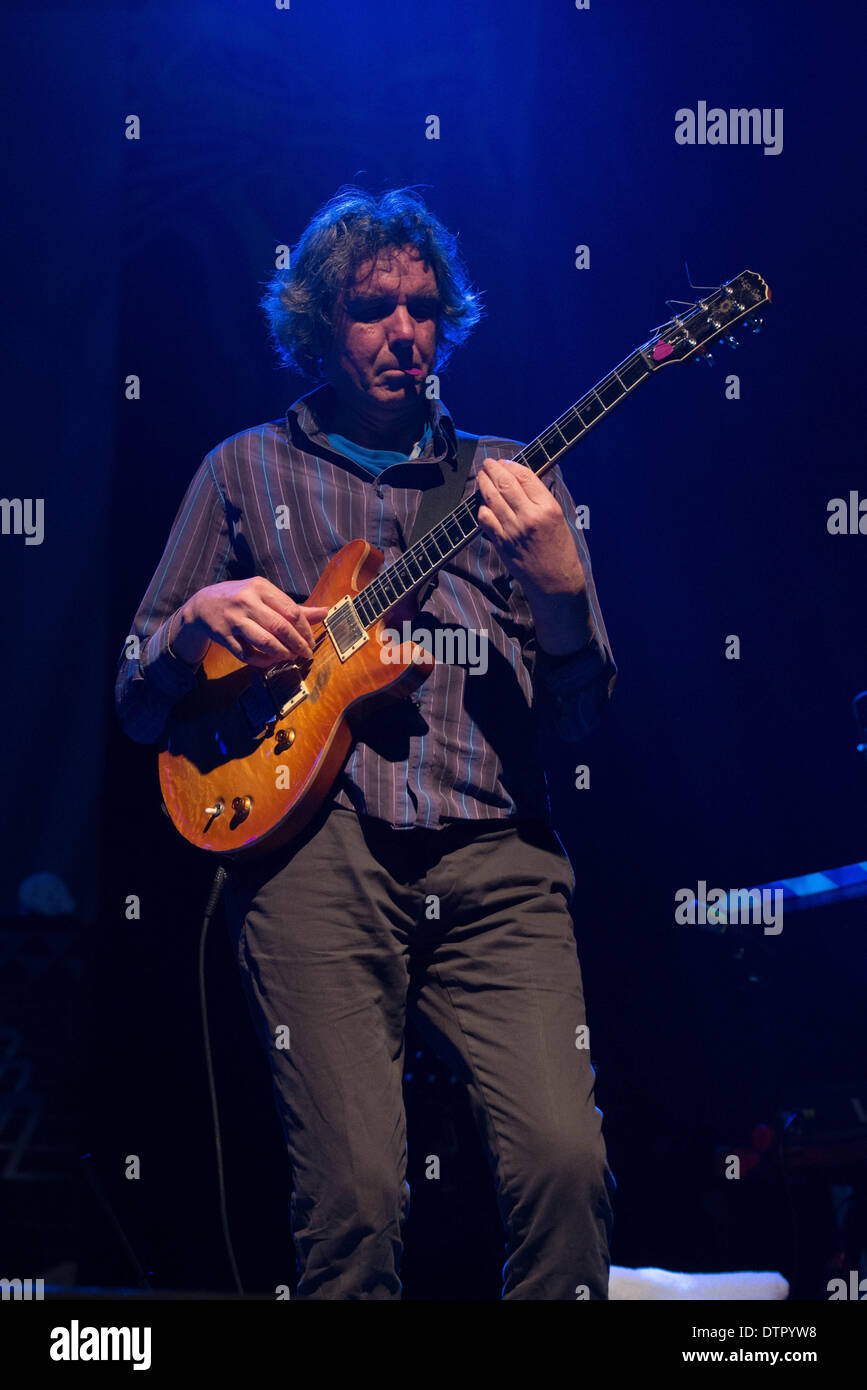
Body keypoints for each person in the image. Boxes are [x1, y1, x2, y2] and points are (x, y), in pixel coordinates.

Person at [115, 186, 617, 1300]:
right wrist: (192, 626)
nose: (404, 332)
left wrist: (568, 592)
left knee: (568, 1167)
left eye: (426, 308)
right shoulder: (239, 471)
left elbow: (581, 715)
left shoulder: (511, 481)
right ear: (316, 325)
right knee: (356, 1198)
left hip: (496, 858)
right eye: (372, 308)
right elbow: (136, 703)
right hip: (313, 856)